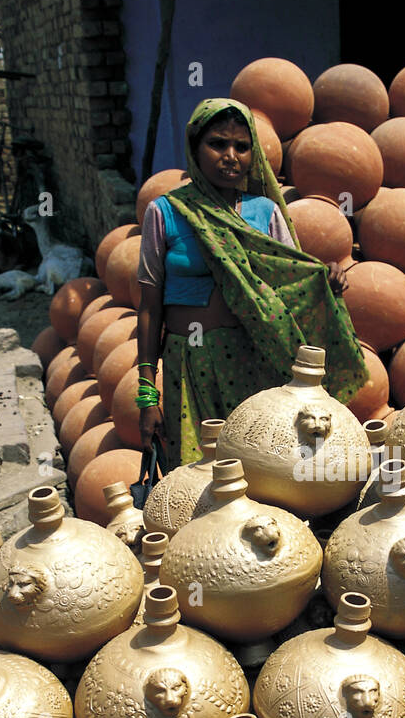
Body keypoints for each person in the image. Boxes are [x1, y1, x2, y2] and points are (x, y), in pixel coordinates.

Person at [136, 97, 367, 467]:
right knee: (199, 476)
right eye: (217, 144)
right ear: (194, 148)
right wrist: (148, 397)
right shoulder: (165, 212)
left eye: (242, 147)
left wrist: (327, 281)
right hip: (188, 365)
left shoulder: (266, 212)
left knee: (262, 468)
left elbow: (292, 283)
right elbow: (148, 308)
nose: (230, 156)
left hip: (254, 360)